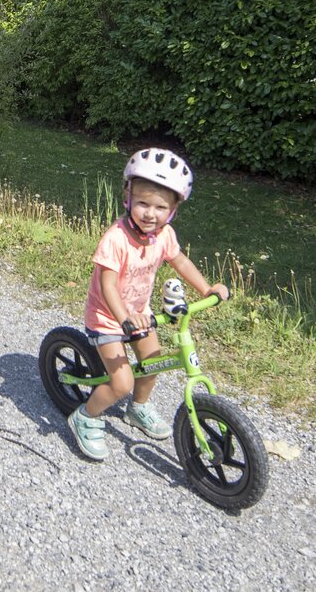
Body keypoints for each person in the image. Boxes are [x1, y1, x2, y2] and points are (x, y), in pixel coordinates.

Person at [68, 147, 229, 461]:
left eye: (160, 207)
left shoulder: (165, 234)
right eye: (142, 203)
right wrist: (124, 317)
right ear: (127, 197)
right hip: (108, 318)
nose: (150, 213)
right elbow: (108, 284)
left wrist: (207, 288)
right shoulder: (115, 239)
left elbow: (180, 262)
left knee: (153, 360)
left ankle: (138, 409)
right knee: (122, 382)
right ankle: (85, 416)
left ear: (172, 211)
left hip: (140, 315)